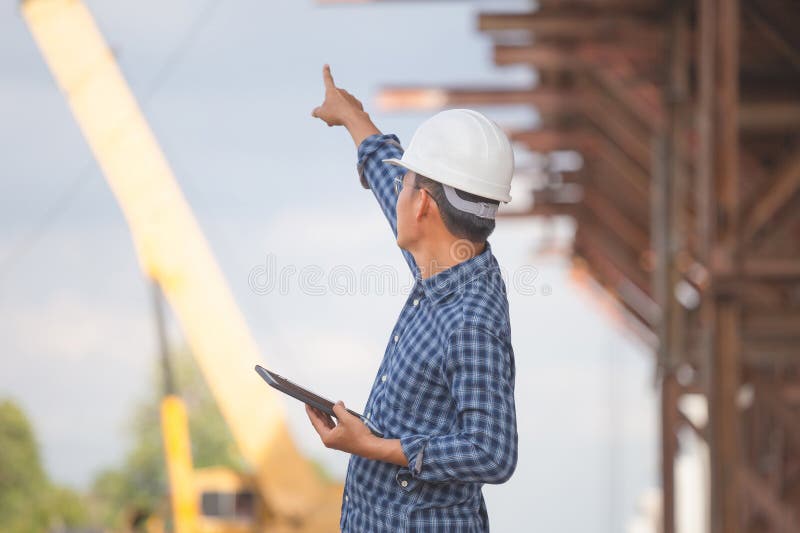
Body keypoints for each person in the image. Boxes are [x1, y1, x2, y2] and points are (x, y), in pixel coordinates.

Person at [306, 64, 518, 532]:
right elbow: (389, 182)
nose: (396, 192)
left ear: (422, 205)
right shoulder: (446, 264)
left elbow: (493, 452)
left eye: (408, 184)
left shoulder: (469, 318)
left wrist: (372, 446)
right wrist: (352, 116)